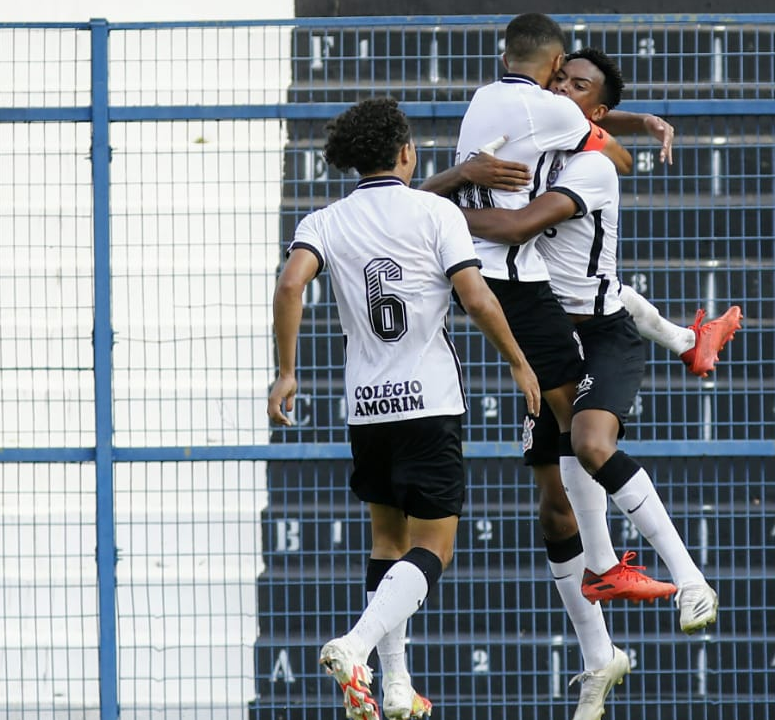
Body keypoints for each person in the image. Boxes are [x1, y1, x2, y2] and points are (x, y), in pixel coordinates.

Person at [268, 97, 541, 720]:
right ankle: (357, 646)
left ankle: (396, 686)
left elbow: (289, 283)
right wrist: (519, 361)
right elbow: (473, 296)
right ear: (406, 152)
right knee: (434, 549)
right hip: (430, 403)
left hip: (366, 408)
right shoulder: (436, 211)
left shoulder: (325, 220)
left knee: (387, 544)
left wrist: (286, 373)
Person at [458, 48, 724, 642]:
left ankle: (690, 580)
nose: (559, 91)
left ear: (594, 112)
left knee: (588, 440)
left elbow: (514, 226)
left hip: (603, 337)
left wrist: (432, 209)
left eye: (576, 86)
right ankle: (599, 650)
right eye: (558, 80)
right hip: (550, 331)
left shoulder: (591, 166)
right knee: (553, 500)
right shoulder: (532, 148)